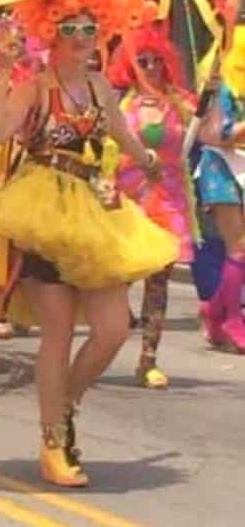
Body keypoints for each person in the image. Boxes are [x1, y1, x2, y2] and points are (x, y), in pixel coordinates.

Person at [0, 0, 177, 488]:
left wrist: (147, 161)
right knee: (58, 330)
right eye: (71, 28)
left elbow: (119, 129)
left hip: (95, 208)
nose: (82, 36)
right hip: (41, 210)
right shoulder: (36, 85)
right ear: (51, 33)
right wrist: (5, 70)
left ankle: (65, 405)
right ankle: (54, 440)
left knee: (114, 329)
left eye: (89, 27)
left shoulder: (99, 88)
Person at [107, 28, 198, 387]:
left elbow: (205, 132)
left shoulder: (181, 102)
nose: (150, 67)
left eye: (155, 60)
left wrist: (211, 103)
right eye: (141, 61)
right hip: (129, 202)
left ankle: (148, 359)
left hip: (168, 201)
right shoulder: (122, 105)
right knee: (119, 277)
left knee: (158, 281)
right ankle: (103, 330)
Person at [194, 27, 245, 354]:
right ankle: (233, 319)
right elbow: (212, 136)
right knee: (239, 247)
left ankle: (213, 312)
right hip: (219, 170)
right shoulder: (222, 88)